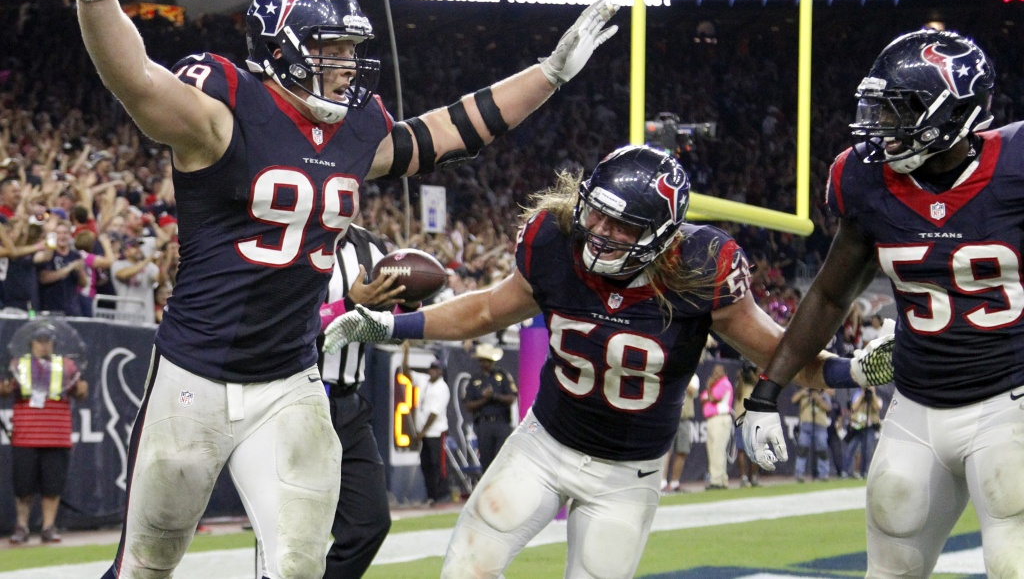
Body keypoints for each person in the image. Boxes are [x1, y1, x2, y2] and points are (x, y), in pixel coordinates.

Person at [41, 0, 617, 574]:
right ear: (282, 49)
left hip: (291, 378)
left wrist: (547, 76)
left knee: (298, 566)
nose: (347, 65)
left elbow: (449, 133)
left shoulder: (355, 130)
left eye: (350, 50)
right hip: (193, 374)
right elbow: (136, 82)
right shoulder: (225, 106)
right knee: (146, 566)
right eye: (331, 50)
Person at [325, 144, 893, 579]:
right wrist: (388, 323)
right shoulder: (554, 238)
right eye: (597, 214)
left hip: (628, 473)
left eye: (622, 226)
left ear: (664, 235)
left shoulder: (702, 267)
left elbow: (780, 355)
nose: (599, 232)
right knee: (465, 567)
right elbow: (486, 312)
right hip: (543, 446)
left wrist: (852, 370)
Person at [740, 28, 1023, 578]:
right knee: (891, 541)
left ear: (955, 112)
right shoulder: (865, 180)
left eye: (901, 112)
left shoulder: (1013, 167)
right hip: (917, 400)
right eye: (880, 110)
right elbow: (827, 294)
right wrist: (766, 392)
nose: (883, 128)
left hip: (1009, 396)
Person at [318, 223, 403, 579]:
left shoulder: (371, 245)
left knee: (370, 522)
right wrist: (350, 304)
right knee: (292, 531)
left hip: (350, 402)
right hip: (296, 397)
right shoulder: (292, 236)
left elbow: (392, 330)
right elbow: (281, 322)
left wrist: (408, 303)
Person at [0, 323, 89, 544]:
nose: (43, 345)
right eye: (39, 341)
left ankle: (48, 527)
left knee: (53, 484)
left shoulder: (67, 366)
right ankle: (21, 526)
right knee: (23, 485)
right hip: (25, 433)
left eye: (47, 341)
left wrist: (82, 390)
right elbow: (3, 390)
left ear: (53, 344)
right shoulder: (17, 365)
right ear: (30, 344)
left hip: (57, 434)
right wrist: (5, 389)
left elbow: (80, 392)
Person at [404, 350, 452, 506]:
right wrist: (406, 354)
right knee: (426, 465)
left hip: (435, 432)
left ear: (441, 372)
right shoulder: (425, 380)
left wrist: (422, 432)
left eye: (436, 369)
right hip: (423, 433)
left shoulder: (442, 388)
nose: (432, 371)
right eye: (431, 368)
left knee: (436, 464)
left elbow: (434, 414)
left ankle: (440, 495)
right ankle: (431, 495)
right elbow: (407, 374)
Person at [464, 342, 518, 474]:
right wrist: (484, 400)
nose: (485, 363)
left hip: (502, 423)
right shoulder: (475, 379)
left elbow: (511, 398)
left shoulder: (502, 376)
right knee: (486, 461)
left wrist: (494, 396)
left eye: (488, 360)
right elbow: (468, 405)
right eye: (482, 360)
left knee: (503, 459)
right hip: (484, 423)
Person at [662, 373, 698, 492]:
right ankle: (662, 482)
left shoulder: (693, 377)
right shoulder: (674, 372)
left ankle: (674, 483)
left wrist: (683, 379)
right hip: (670, 417)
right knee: (666, 452)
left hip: (684, 418)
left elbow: (693, 391)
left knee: (682, 451)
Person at [699, 363, 733, 490]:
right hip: (712, 419)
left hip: (720, 418)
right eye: (714, 372)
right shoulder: (716, 384)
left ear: (725, 373)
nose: (715, 374)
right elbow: (702, 399)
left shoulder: (724, 383)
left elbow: (713, 398)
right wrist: (709, 391)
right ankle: (722, 479)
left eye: (719, 371)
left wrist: (708, 387)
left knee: (717, 450)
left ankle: (716, 481)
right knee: (713, 450)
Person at [790, 387, 832, 482]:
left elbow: (828, 408)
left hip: (820, 425)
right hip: (806, 425)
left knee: (822, 451)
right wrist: (804, 393)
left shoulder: (824, 396)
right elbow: (793, 400)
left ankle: (823, 474)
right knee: (802, 450)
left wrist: (817, 398)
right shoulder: (804, 395)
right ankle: (799, 473)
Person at [842, 386, 883, 479]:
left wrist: (872, 395)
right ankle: (845, 471)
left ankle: (865, 472)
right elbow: (853, 408)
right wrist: (862, 395)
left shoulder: (877, 399)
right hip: (857, 427)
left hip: (869, 427)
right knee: (851, 448)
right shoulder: (857, 395)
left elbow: (877, 408)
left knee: (868, 450)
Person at [732, 364, 761, 487]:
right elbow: (737, 395)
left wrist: (753, 376)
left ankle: (753, 477)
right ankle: (744, 478)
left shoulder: (758, 384)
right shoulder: (741, 384)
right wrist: (740, 379)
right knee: (742, 450)